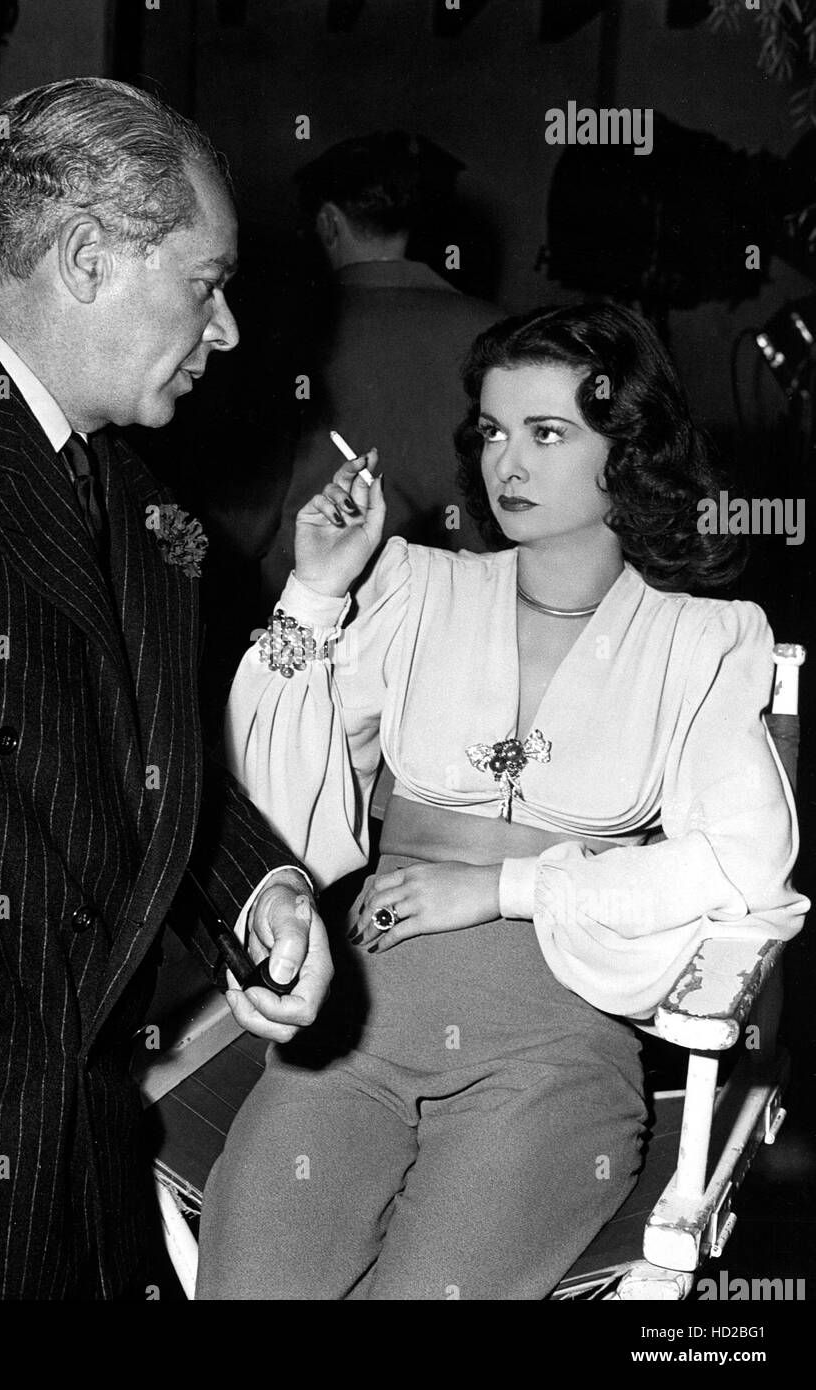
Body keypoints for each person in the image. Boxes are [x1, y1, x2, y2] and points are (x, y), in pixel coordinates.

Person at [0, 77, 332, 1301]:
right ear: (87, 257)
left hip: (75, 1181)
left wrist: (265, 891)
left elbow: (129, 772)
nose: (231, 328)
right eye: (207, 282)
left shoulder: (145, 513)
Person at [197, 302, 807, 1300]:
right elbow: (265, 784)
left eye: (546, 432)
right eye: (491, 430)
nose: (505, 463)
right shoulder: (414, 588)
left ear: (629, 448)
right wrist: (314, 592)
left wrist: (506, 888)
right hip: (351, 1022)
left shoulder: (696, 637)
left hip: (551, 1057)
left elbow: (745, 859)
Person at [259, 131, 502, 611]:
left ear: (328, 223)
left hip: (317, 608)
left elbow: (247, 511)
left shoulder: (289, 335)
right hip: (470, 607)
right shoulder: (502, 333)